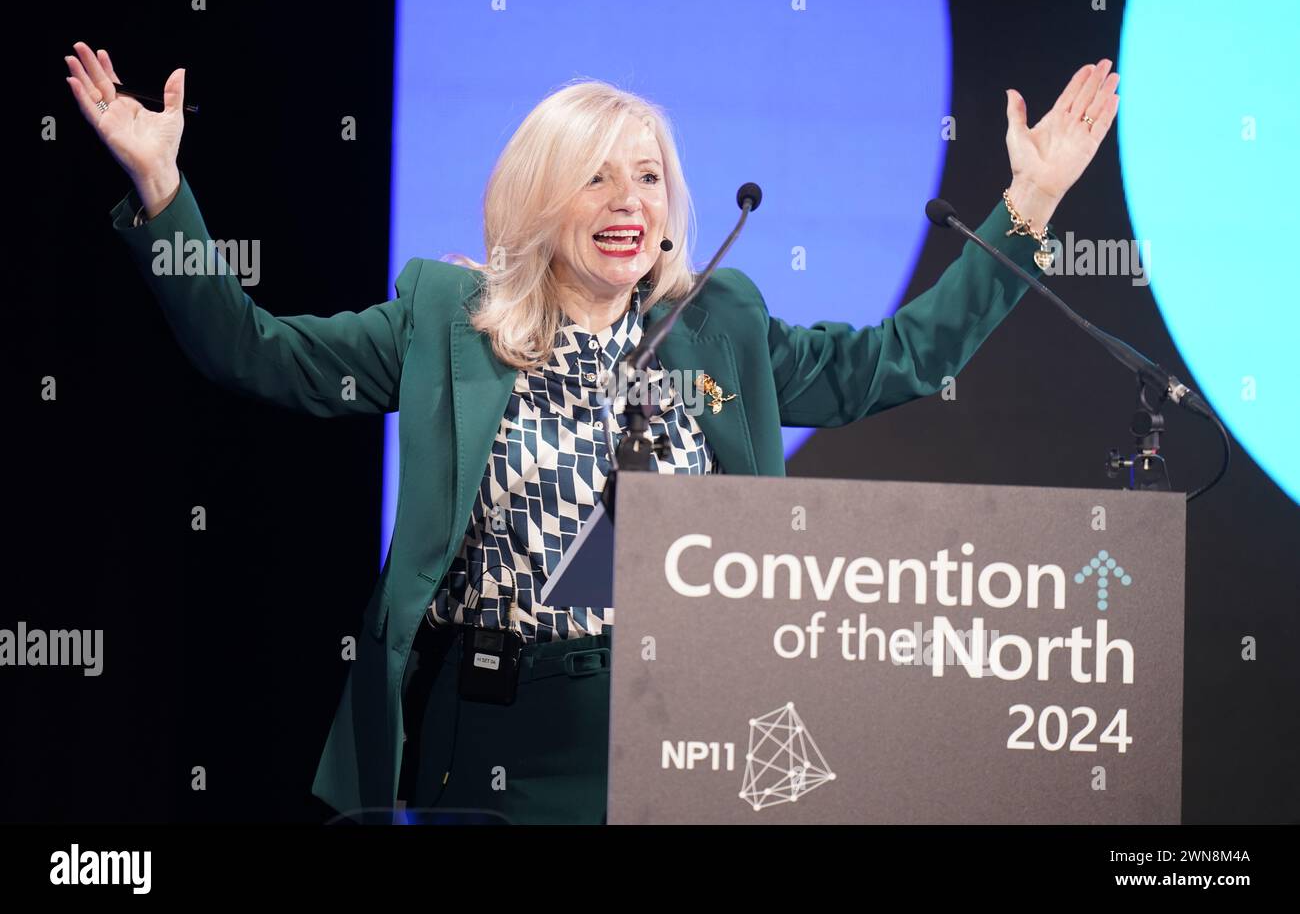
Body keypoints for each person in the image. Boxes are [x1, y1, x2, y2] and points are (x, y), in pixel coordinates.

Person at [64, 41, 1120, 824]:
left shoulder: (722, 321)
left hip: (689, 737)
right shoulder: (447, 318)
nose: (629, 200)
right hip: (496, 734)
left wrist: (1028, 203)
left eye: (649, 176)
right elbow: (251, 350)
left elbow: (901, 359)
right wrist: (162, 189)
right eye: (599, 175)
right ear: (537, 197)